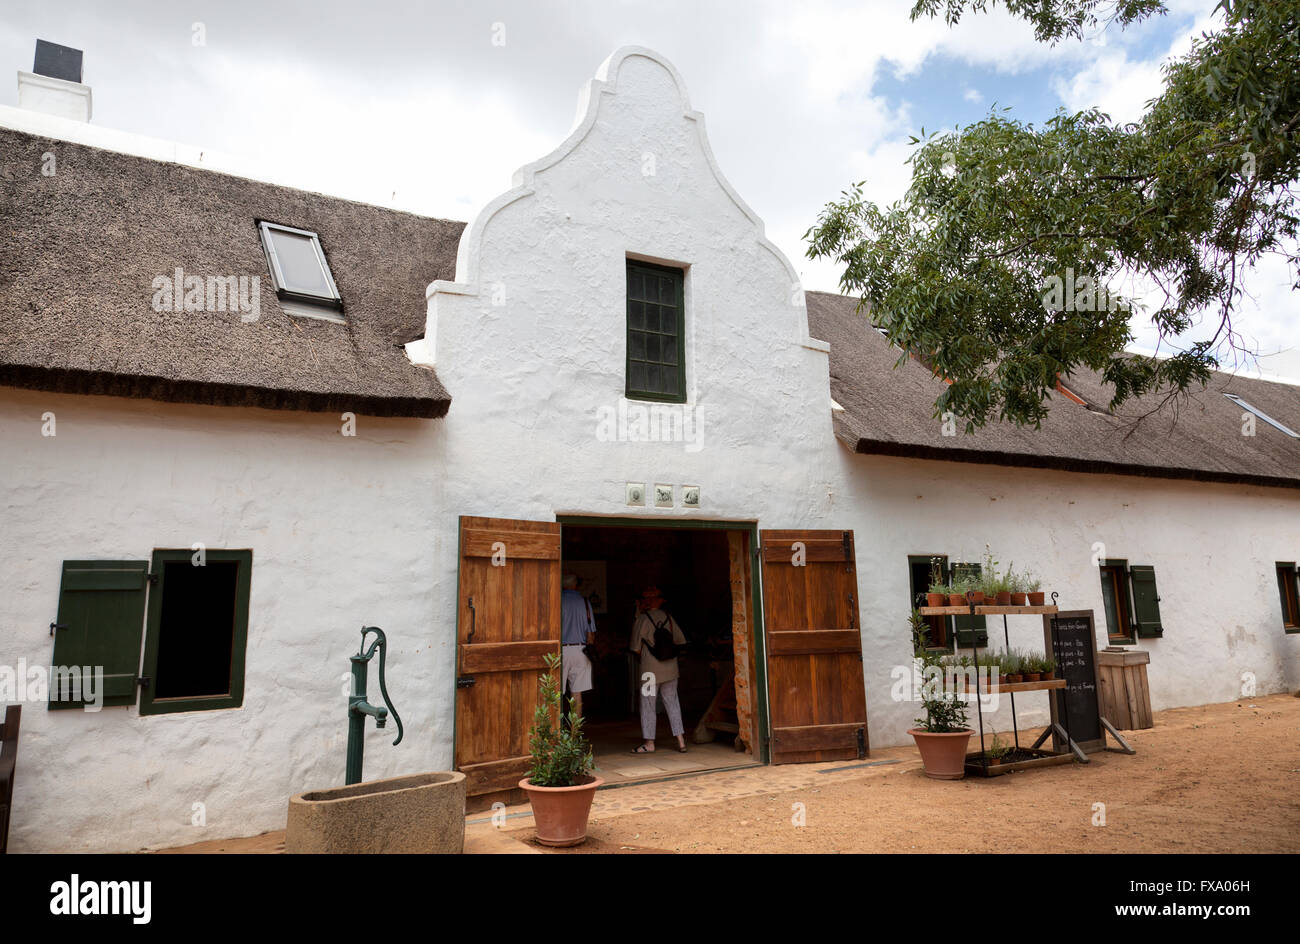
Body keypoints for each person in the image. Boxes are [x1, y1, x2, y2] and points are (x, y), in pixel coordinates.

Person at [629, 585, 688, 753]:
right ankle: (681, 740)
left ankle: (649, 743)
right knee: (672, 702)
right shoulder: (669, 617)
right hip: (670, 669)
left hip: (649, 671)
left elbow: (635, 647)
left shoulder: (642, 619)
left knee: (648, 704)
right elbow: (680, 640)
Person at [559, 573, 596, 718]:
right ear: (576, 585)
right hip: (581, 650)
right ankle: (574, 734)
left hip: (560, 650)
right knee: (577, 692)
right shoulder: (585, 602)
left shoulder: (558, 600)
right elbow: (591, 634)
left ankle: (556, 732)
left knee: (557, 692)